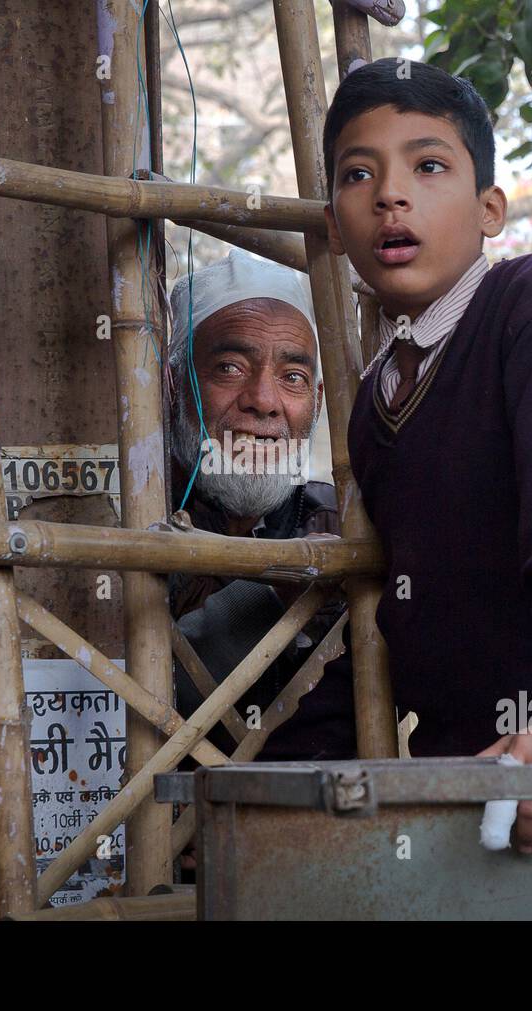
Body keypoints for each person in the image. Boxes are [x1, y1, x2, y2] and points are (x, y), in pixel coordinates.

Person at [320, 57, 532, 854]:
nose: (390, 195)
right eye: (358, 175)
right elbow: (399, 615)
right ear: (335, 225)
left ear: (490, 208)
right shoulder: (375, 404)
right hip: (455, 805)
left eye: (428, 166)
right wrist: (258, 773)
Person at [166, 249, 356, 760]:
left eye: (292, 377)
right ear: (174, 386)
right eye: (230, 367)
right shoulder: (131, 521)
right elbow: (122, 694)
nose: (265, 400)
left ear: (316, 400)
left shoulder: (342, 520)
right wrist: (268, 591)